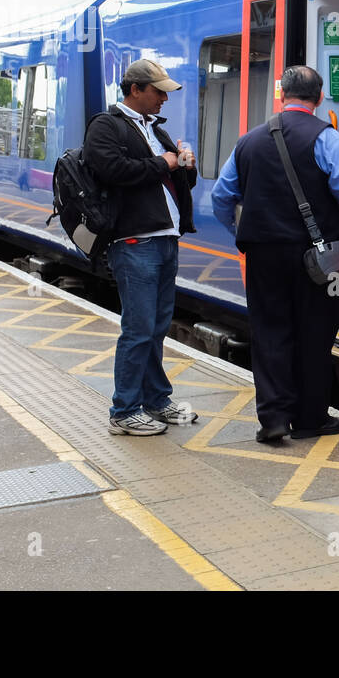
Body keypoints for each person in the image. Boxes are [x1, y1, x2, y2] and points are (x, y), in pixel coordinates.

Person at [210, 65, 339, 442]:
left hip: (264, 255)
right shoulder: (327, 138)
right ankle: (311, 418)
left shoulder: (248, 141)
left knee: (269, 332)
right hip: (320, 259)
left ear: (281, 95)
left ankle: (274, 420)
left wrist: (240, 230)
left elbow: (222, 196)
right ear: (318, 98)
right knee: (315, 333)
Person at [83, 58, 199, 437]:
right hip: (134, 240)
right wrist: (162, 163)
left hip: (165, 238)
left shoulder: (155, 129)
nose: (164, 98)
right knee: (138, 327)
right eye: (158, 91)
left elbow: (175, 181)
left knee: (157, 325)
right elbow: (112, 171)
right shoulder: (107, 125)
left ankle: (156, 401)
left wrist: (184, 166)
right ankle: (124, 410)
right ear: (135, 90)